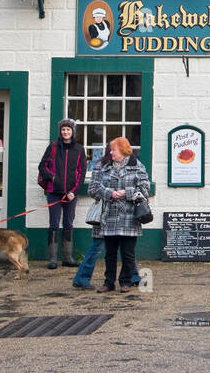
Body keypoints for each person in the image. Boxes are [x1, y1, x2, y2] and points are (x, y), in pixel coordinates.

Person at [87, 137, 150, 293]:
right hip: (109, 216)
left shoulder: (137, 167)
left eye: (113, 149)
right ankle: (108, 282)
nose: (110, 152)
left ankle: (126, 282)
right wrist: (109, 193)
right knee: (110, 253)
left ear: (122, 150)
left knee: (128, 253)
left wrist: (126, 193)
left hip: (129, 216)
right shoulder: (103, 167)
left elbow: (145, 190)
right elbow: (93, 189)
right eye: (110, 149)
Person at [37, 118, 86, 269]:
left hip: (71, 194)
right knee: (53, 224)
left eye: (68, 130)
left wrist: (74, 191)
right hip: (54, 192)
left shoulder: (79, 149)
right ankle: (52, 259)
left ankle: (68, 258)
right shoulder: (52, 147)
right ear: (60, 131)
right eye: (63, 129)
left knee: (68, 224)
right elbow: (42, 166)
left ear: (73, 132)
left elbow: (82, 172)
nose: (66, 132)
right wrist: (51, 177)